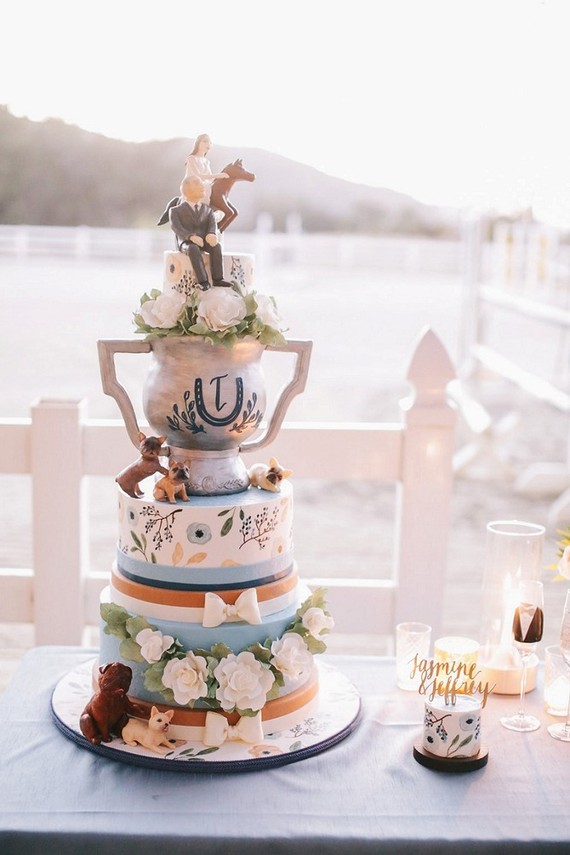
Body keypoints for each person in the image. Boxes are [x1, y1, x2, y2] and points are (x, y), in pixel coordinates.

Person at [168, 176, 232, 290]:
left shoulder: (207, 210)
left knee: (216, 246)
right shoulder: (176, 211)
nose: (202, 186)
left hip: (203, 241)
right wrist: (190, 237)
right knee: (193, 249)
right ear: (187, 190)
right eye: (197, 183)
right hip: (186, 242)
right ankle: (203, 281)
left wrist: (211, 234)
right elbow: (176, 227)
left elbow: (212, 224)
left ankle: (218, 279)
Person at [183, 134, 228, 204]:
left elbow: (210, 178)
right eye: (205, 141)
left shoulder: (206, 161)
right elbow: (198, 176)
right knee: (206, 188)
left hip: (204, 185)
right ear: (198, 143)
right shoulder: (191, 158)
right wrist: (218, 175)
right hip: (192, 186)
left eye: (210, 142)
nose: (208, 144)